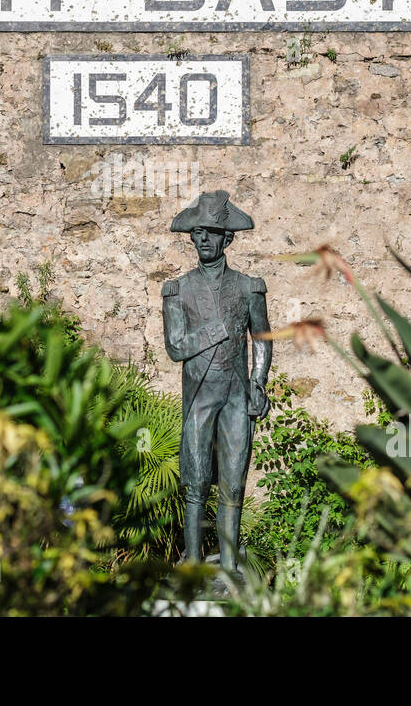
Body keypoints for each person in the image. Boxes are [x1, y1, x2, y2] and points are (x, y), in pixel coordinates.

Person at [160, 190, 271, 576]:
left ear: (227, 238)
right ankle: (191, 564)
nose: (203, 239)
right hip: (199, 397)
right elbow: (175, 347)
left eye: (211, 232)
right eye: (197, 232)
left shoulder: (248, 287)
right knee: (194, 483)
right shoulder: (178, 289)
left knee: (233, 484)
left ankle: (227, 565)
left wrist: (258, 381)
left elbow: (263, 338)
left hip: (237, 396)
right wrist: (218, 330)